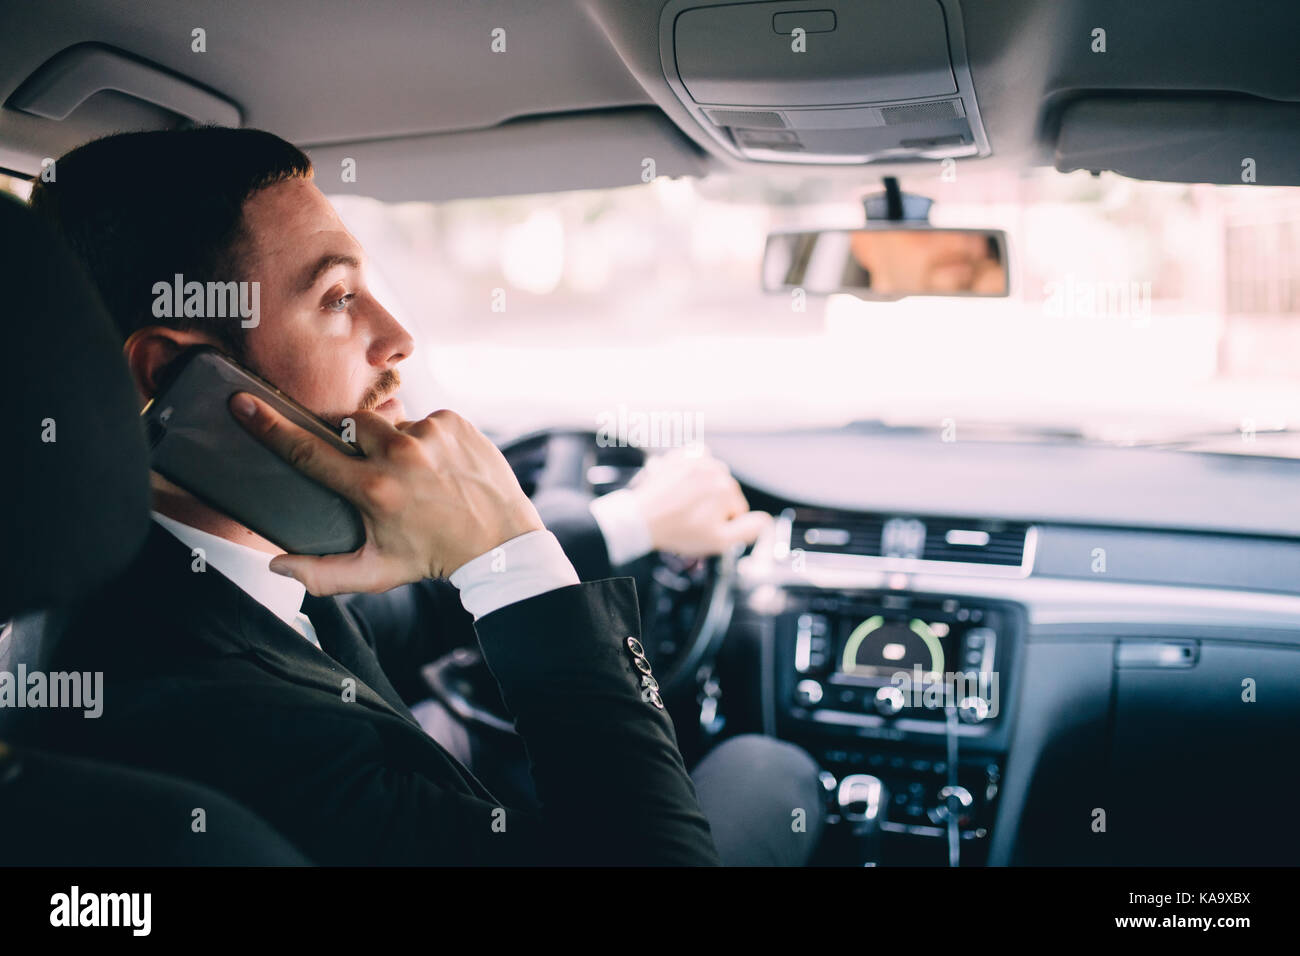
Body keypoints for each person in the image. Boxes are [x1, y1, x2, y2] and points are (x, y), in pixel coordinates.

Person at [23, 126, 822, 865]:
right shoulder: (230, 734)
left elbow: (401, 614)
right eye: (337, 298)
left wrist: (631, 520)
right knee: (766, 765)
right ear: (172, 377)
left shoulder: (178, 571)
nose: (399, 337)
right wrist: (512, 553)